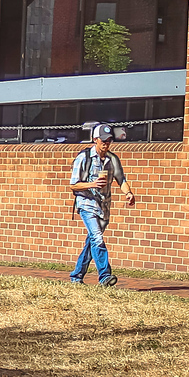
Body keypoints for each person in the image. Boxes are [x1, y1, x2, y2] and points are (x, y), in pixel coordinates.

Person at [68, 123, 136, 287]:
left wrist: (128, 193)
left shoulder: (113, 159)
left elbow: (122, 180)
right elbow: (73, 185)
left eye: (109, 140)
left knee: (92, 242)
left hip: (104, 207)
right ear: (95, 139)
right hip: (86, 204)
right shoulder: (84, 157)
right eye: (103, 140)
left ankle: (76, 276)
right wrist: (92, 184)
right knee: (97, 238)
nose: (106, 143)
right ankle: (105, 276)